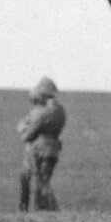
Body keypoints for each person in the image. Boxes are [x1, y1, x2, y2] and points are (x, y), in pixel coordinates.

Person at [17, 77, 66, 211]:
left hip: (40, 149)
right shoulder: (60, 111)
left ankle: (44, 208)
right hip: (54, 148)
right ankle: (46, 208)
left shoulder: (44, 113)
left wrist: (23, 130)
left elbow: (28, 135)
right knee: (45, 179)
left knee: (39, 181)